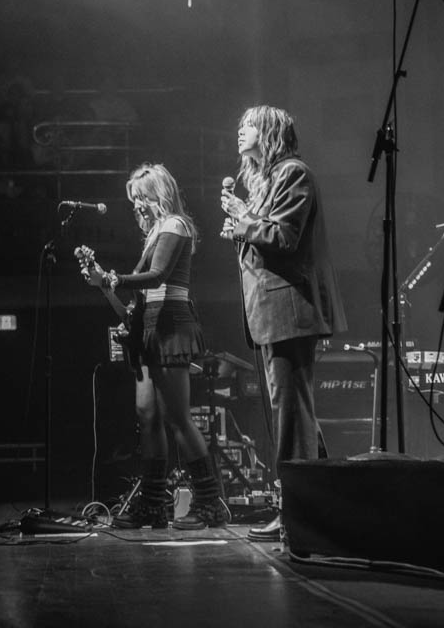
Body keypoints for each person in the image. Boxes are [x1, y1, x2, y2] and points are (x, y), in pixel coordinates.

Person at [220, 105, 346, 542]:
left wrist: (244, 223)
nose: (240, 132)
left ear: (270, 132)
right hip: (273, 313)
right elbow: (264, 232)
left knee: (291, 412)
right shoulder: (264, 181)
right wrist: (245, 219)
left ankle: (297, 511)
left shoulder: (294, 174)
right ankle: (322, 503)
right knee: (295, 413)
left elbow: (283, 237)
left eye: (248, 125)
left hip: (289, 310)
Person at [82, 162, 227, 530]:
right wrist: (104, 282)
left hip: (170, 325)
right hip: (150, 327)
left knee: (178, 418)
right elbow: (135, 294)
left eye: (140, 198)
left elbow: (158, 275)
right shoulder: (154, 234)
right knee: (148, 417)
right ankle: (153, 506)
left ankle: (211, 504)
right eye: (133, 200)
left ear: (156, 195)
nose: (136, 207)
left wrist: (117, 277)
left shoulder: (174, 225)